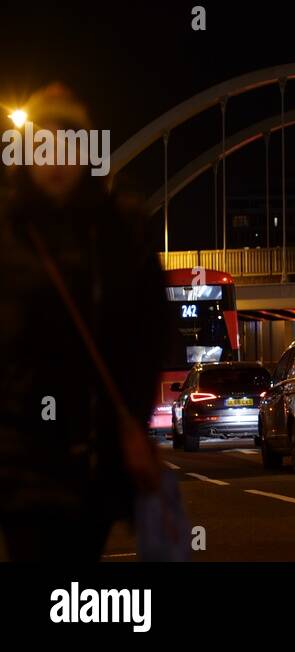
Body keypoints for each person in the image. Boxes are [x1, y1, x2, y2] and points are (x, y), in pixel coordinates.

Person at [0, 83, 168, 561]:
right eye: (42, 145)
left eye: (66, 145)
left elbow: (147, 333)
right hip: (21, 459)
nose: (55, 159)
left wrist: (132, 420)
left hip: (92, 459)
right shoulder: (9, 230)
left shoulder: (116, 229)